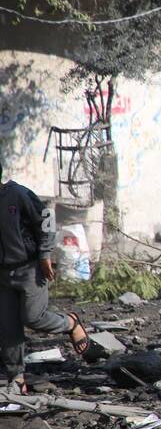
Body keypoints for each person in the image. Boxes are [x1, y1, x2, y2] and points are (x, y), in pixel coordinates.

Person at [0, 163, 96, 393]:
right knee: (8, 327)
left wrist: (45, 254)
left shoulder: (18, 194)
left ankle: (70, 323)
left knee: (34, 317)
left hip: (29, 269)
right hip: (2, 275)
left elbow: (46, 219)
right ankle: (17, 377)